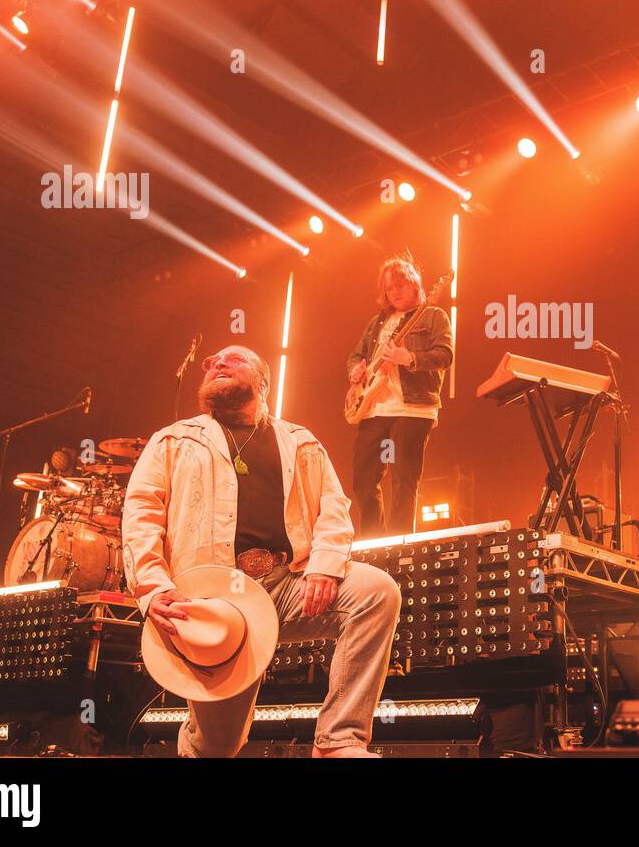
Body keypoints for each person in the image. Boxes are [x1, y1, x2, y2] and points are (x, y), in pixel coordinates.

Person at [122, 344, 400, 757]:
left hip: (288, 583)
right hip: (213, 598)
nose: (216, 364)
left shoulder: (299, 442)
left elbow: (334, 509)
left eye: (231, 360)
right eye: (211, 363)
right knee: (218, 744)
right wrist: (151, 585)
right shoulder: (173, 440)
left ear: (263, 382)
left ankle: (338, 742)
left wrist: (325, 565)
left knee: (375, 592)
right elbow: (141, 512)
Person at [346, 256, 453, 536]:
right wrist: (355, 370)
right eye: (389, 287)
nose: (395, 291)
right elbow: (357, 355)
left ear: (416, 285)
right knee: (363, 480)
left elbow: (445, 355)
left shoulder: (433, 316)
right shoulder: (377, 322)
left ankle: (398, 545)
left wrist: (410, 358)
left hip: (412, 409)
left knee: (403, 479)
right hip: (374, 409)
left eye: (401, 285)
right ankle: (372, 542)